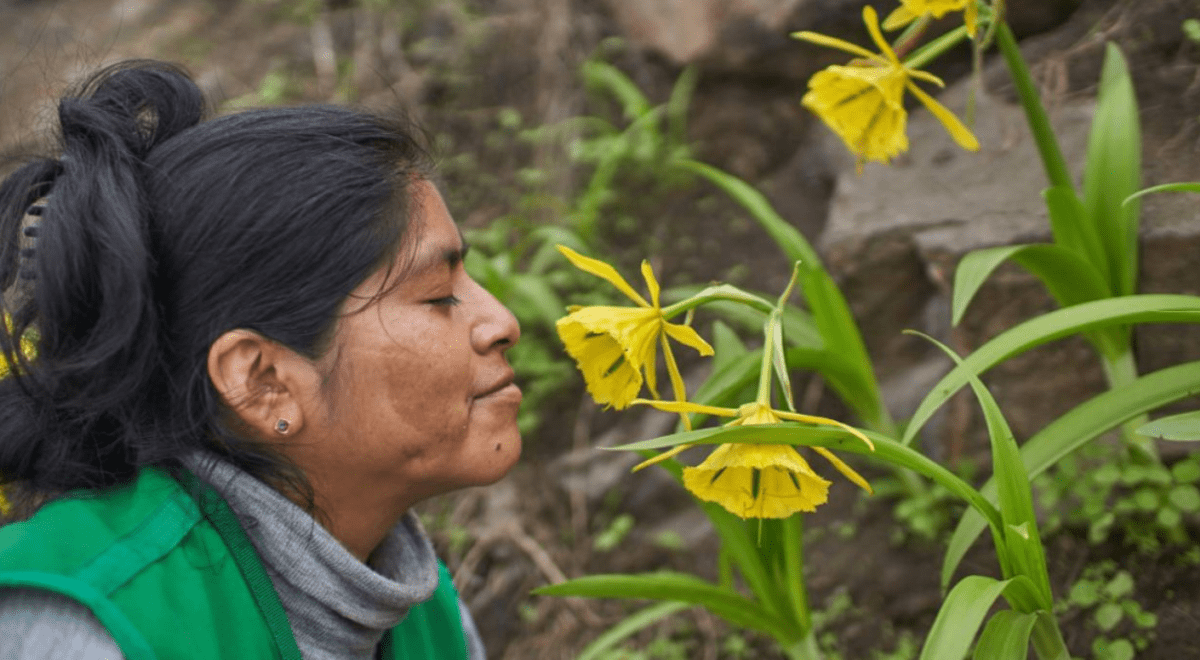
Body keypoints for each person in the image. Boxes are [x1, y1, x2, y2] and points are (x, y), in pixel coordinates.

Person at [0, 59, 522, 659]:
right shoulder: (82, 630)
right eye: (438, 296)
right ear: (263, 382)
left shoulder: (426, 610)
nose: (502, 323)